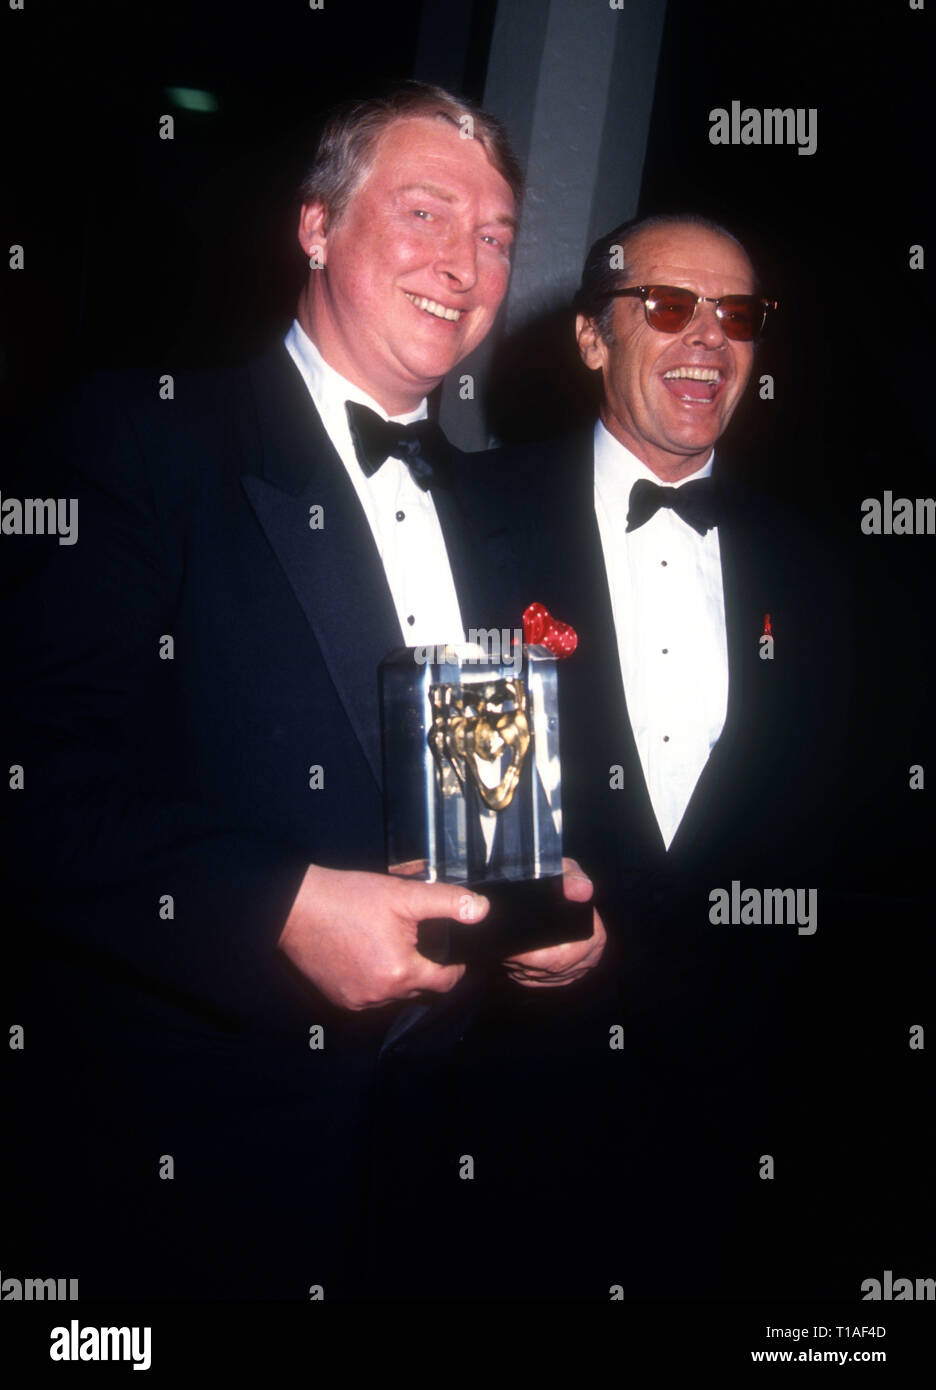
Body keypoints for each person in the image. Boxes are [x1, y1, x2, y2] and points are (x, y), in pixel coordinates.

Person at [1, 82, 605, 1301]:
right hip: (186, 1172)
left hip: (437, 1173)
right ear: (316, 226)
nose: (466, 263)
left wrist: (552, 907)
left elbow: (491, 791)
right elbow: (34, 783)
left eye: (494, 236)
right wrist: (271, 903)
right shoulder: (135, 438)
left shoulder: (499, 513)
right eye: (425, 212)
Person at [451, 214, 858, 1297]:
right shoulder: (459, 518)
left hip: (735, 1148)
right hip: (494, 1115)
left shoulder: (824, 572)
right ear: (593, 337)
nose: (707, 341)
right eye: (669, 306)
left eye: (737, 316)